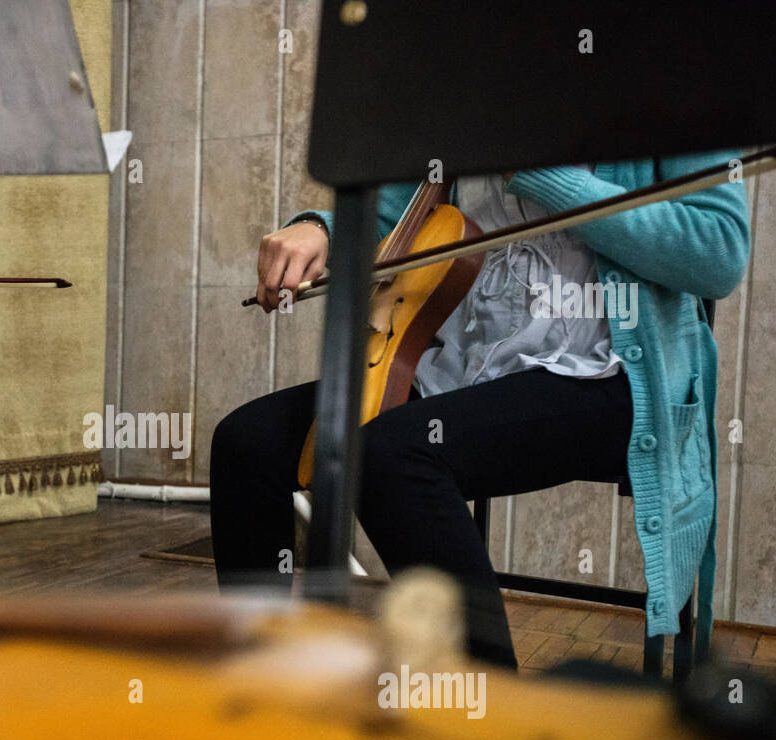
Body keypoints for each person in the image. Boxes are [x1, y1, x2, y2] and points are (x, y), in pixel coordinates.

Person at [211, 157, 748, 668]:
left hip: (611, 375)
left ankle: (486, 714)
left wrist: (546, 178)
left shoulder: (662, 76)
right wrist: (322, 229)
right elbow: (394, 224)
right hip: (465, 366)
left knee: (392, 454)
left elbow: (718, 253)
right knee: (246, 443)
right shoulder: (463, 89)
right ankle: (263, 682)